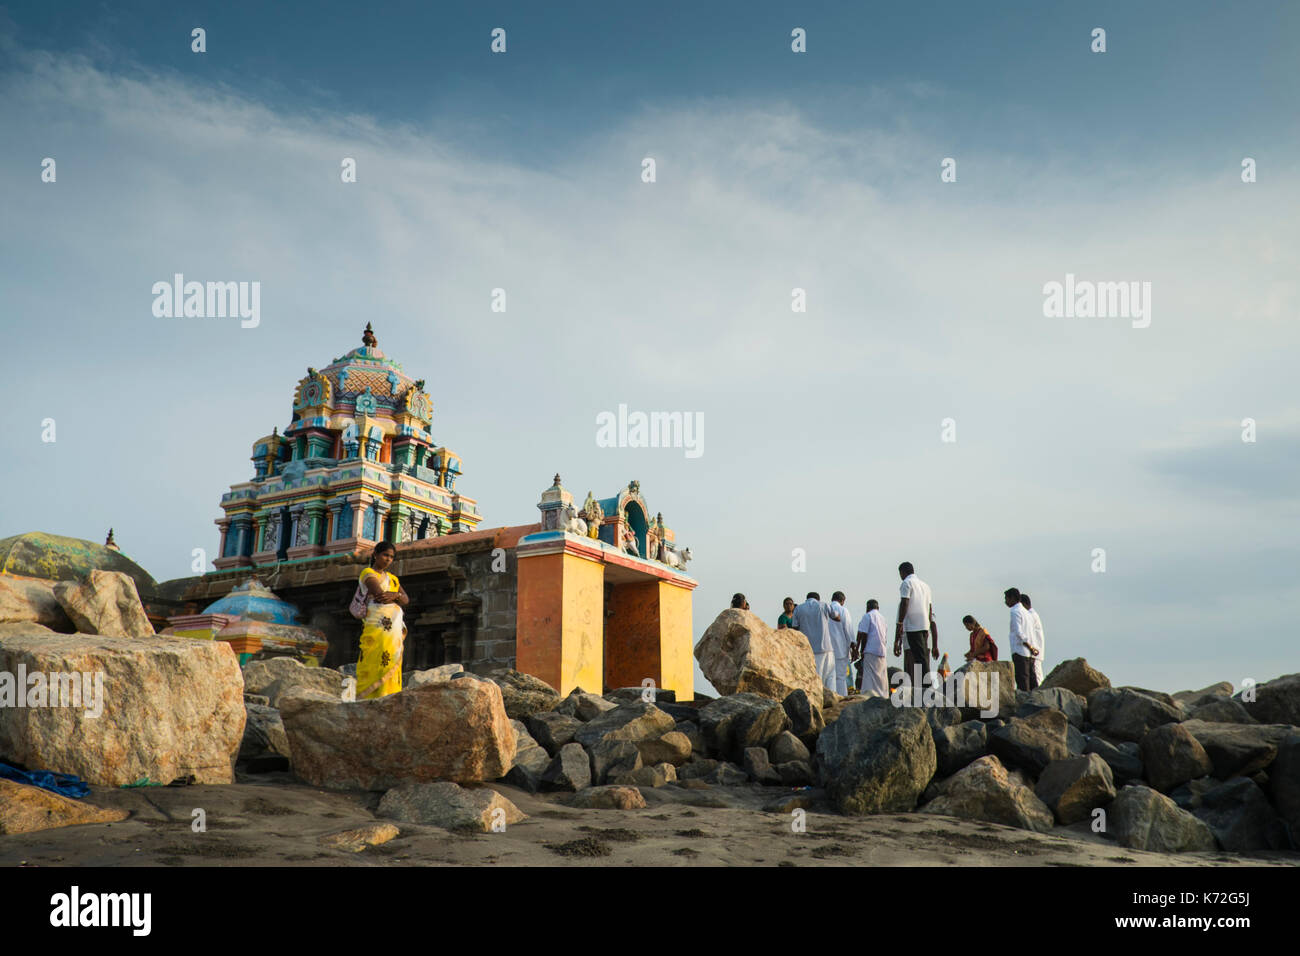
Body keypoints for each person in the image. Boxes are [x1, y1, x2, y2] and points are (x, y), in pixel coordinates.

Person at [356, 541, 410, 699]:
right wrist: (396, 596)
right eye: (385, 555)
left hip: (392, 628)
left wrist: (395, 595)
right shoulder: (367, 573)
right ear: (375, 555)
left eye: (391, 557)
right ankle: (366, 696)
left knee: (391, 658)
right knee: (374, 655)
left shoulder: (393, 579)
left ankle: (389, 694)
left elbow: (406, 599)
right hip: (376, 624)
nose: (388, 559)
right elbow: (380, 595)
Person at [894, 562, 938, 688]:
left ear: (903, 572)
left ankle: (926, 686)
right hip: (924, 624)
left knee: (919, 658)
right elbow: (930, 608)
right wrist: (929, 623)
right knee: (922, 656)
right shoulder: (925, 586)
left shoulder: (906, 583)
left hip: (913, 625)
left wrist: (900, 622)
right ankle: (925, 684)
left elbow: (905, 602)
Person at [791, 591, 841, 692]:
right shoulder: (824, 605)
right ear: (818, 599)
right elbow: (837, 617)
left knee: (816, 678)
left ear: (806, 599)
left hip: (809, 649)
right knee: (830, 677)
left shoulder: (798, 609)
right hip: (827, 648)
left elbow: (794, 628)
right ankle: (831, 698)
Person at [1004, 587, 1038, 691]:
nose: (1005, 602)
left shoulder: (1015, 611)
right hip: (1030, 653)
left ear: (1013, 598)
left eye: (1007, 599)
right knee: (1032, 682)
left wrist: (1029, 646)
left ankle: (1025, 705)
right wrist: (1032, 648)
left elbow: (1019, 632)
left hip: (1020, 650)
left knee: (1023, 682)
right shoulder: (1027, 612)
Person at [855, 599, 890, 698]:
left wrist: (860, 649)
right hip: (882, 651)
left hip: (870, 650)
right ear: (878, 608)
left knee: (869, 677)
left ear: (867, 608)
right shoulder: (883, 618)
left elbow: (862, 634)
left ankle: (868, 697)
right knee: (881, 677)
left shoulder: (867, 616)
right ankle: (883, 696)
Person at [828, 591, 855, 696]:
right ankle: (841, 697)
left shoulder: (826, 610)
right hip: (841, 647)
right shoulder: (843, 610)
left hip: (827, 648)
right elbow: (848, 629)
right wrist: (852, 646)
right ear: (842, 601)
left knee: (829, 676)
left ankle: (830, 696)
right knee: (841, 677)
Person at [1020, 593, 1046, 684]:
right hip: (1034, 651)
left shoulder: (1031, 616)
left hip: (1034, 651)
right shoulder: (1032, 615)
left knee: (1037, 677)